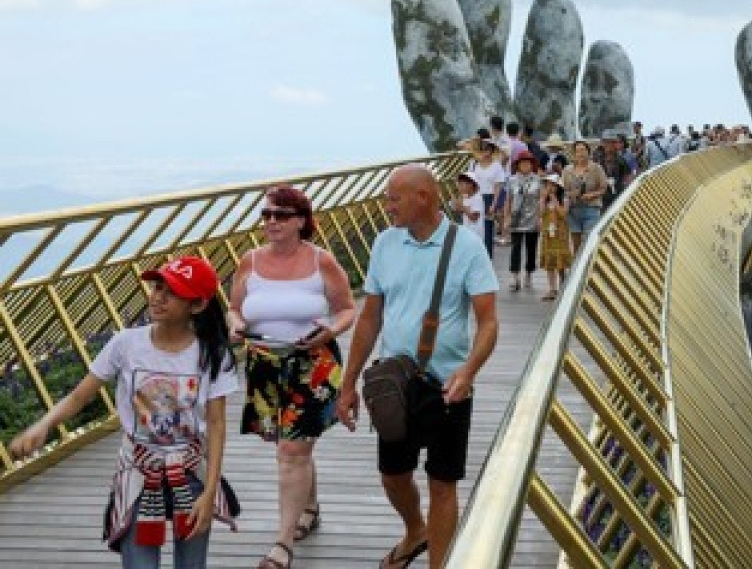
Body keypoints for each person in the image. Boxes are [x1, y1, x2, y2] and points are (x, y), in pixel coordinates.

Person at [8, 256, 240, 568]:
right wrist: (44, 425)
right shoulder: (126, 344)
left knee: (192, 564)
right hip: (139, 471)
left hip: (191, 470)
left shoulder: (212, 354)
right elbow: (80, 396)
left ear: (197, 306)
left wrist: (210, 492)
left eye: (170, 292)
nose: (157, 297)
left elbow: (216, 424)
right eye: (157, 287)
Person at [336, 164, 498, 569]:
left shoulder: (466, 247)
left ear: (422, 197)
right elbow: (370, 317)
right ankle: (415, 529)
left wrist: (469, 371)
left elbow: (489, 322)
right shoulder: (384, 245)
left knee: (443, 484)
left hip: (448, 386)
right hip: (396, 383)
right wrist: (348, 382)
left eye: (393, 198)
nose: (386, 206)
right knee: (393, 475)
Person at [226, 185, 357, 569]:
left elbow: (348, 309)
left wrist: (331, 331)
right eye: (266, 215)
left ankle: (282, 545)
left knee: (291, 451)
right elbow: (234, 309)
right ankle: (310, 507)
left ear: (301, 220)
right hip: (264, 364)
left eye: (280, 215)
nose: (271, 222)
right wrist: (235, 326)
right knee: (291, 445)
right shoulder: (248, 261)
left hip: (311, 363)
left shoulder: (322, 262)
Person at [504, 150, 543, 291]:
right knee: (515, 248)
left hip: (533, 217)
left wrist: (540, 217)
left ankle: (529, 274)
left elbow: (541, 199)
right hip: (516, 218)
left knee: (531, 247)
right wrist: (506, 218)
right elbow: (508, 200)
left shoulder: (538, 180)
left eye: (528, 162)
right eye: (523, 163)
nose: (526, 165)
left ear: (532, 164)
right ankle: (515, 278)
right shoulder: (512, 180)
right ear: (518, 165)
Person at [563, 140, 608, 253]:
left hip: (591, 208)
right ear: (573, 154)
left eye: (583, 150)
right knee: (576, 244)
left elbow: (603, 188)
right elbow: (563, 190)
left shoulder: (597, 168)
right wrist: (572, 195)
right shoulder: (567, 170)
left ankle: (588, 268)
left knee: (589, 242)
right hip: (573, 210)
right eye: (577, 151)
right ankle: (576, 268)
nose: (580, 153)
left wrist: (591, 194)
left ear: (588, 152)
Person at [468, 139, 507, 258]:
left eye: (487, 149)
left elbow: (498, 186)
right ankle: (475, 255)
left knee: (488, 228)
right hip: (476, 196)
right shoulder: (474, 164)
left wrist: (494, 204)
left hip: (489, 197)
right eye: (483, 149)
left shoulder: (496, 166)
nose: (485, 152)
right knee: (474, 226)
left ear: (491, 151)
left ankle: (488, 256)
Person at [539, 173, 572, 300]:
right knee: (549, 262)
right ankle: (552, 289)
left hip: (560, 234)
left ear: (558, 187)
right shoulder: (544, 199)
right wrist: (543, 200)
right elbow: (541, 214)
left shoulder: (564, 199)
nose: (550, 187)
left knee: (560, 261)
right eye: (548, 185)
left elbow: (563, 214)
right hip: (548, 234)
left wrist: (555, 200)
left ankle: (563, 284)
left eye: (553, 185)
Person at [453, 171, 485, 240]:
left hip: (476, 234)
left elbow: (474, 218)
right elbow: (461, 213)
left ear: (470, 185)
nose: (459, 187)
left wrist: (462, 207)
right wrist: (457, 207)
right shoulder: (465, 197)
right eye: (459, 184)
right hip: (468, 232)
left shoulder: (477, 198)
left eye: (461, 184)